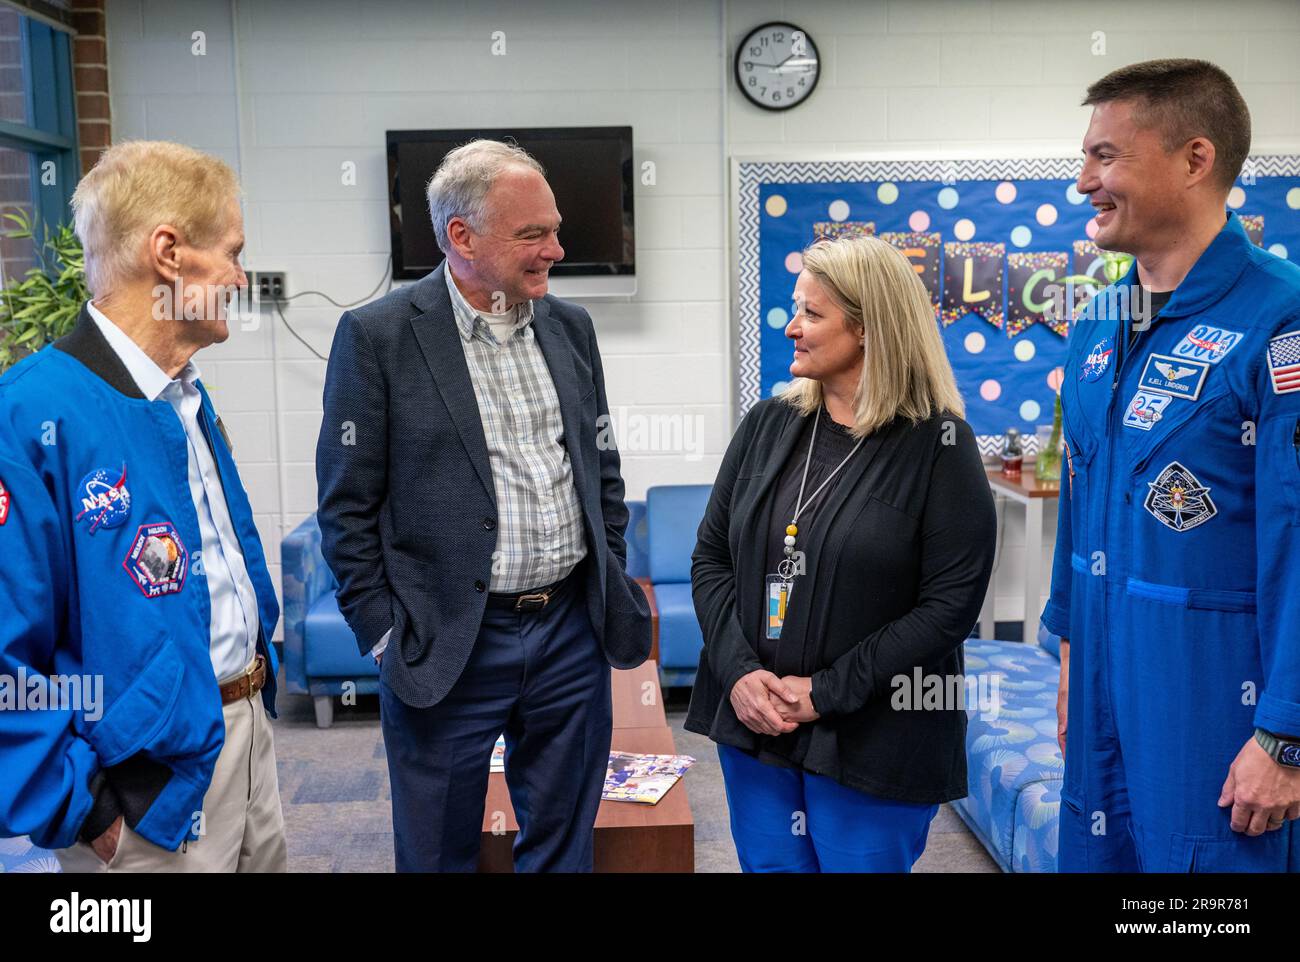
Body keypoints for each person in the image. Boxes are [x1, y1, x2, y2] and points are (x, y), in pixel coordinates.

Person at [316, 139, 651, 873]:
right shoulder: (377, 337)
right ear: (459, 238)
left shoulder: (570, 329)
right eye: (532, 234)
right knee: (439, 852)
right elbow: (344, 508)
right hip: (447, 641)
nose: (556, 250)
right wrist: (382, 634)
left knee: (564, 849)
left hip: (568, 630)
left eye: (555, 229)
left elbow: (602, 469)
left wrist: (609, 569)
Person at [0, 140, 285, 872]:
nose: (240, 278)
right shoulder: (31, 413)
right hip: (141, 800)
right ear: (169, 253)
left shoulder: (183, 393)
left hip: (246, 741)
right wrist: (84, 810)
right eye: (231, 252)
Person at [1044, 59, 1300, 872]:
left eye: (1106, 157)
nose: (1085, 180)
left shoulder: (1280, 318)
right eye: (1085, 157)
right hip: (1103, 700)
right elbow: (1081, 513)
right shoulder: (1095, 322)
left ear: (1196, 160)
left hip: (1221, 711)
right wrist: (1070, 662)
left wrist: (1287, 734)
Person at [685, 236, 996, 872]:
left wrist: (825, 692)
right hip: (755, 721)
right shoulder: (767, 426)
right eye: (795, 308)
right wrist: (740, 673)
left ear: (868, 326)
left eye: (812, 314)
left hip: (874, 734)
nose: (792, 327)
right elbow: (711, 559)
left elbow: (949, 608)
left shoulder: (940, 444)